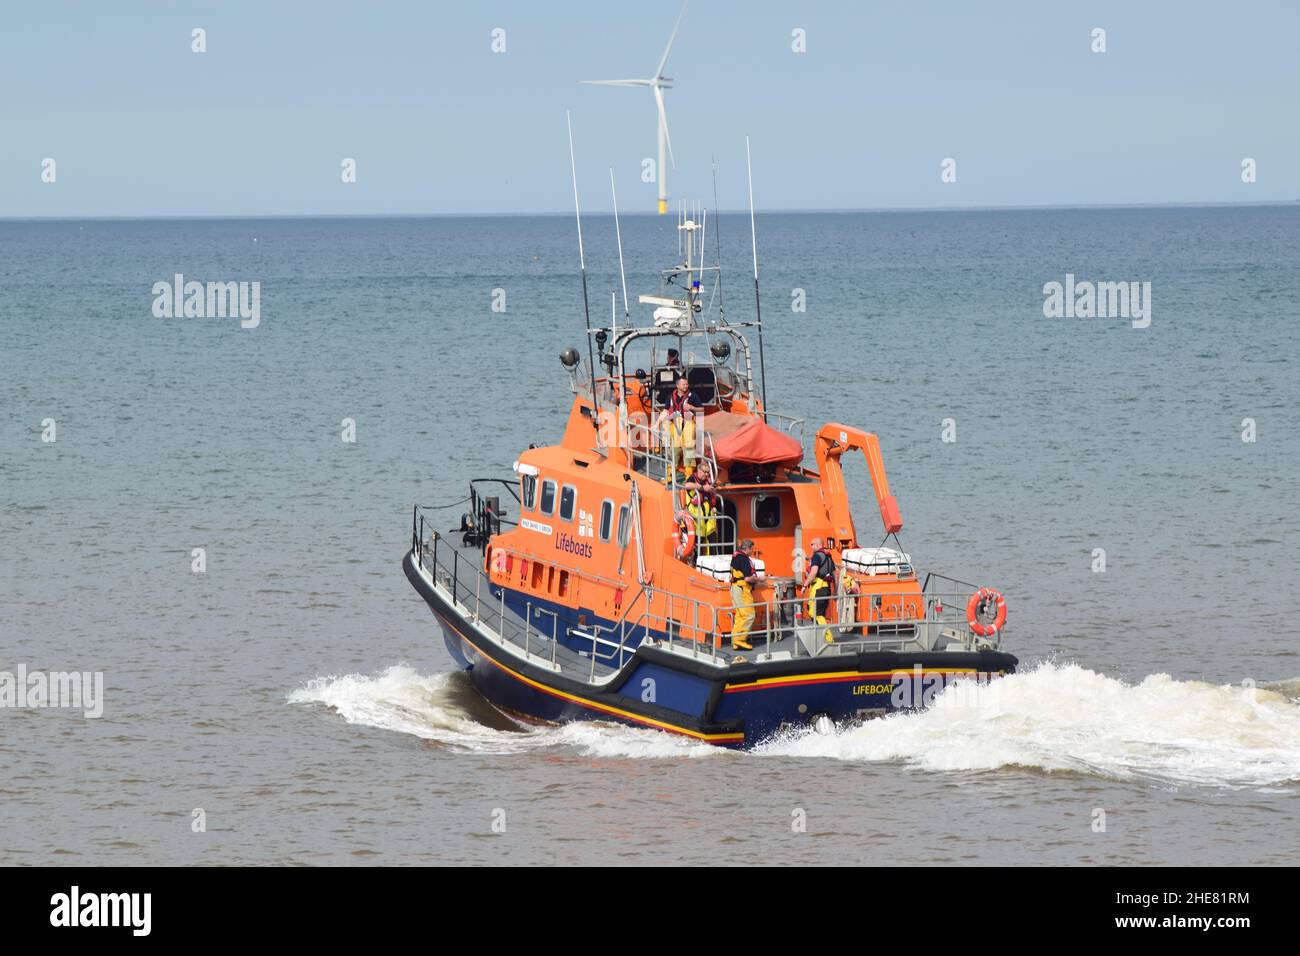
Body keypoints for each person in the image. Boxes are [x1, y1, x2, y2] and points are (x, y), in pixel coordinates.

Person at [653, 375, 706, 481]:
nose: (686, 386)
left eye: (687, 384)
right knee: (673, 451)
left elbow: (701, 409)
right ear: (678, 385)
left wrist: (692, 407)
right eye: (684, 384)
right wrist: (656, 424)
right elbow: (666, 411)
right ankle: (670, 475)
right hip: (675, 426)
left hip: (688, 424)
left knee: (689, 450)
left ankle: (689, 477)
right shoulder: (670, 398)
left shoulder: (692, 396)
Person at [801, 537, 836, 644]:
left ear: (817, 545)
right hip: (826, 588)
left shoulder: (817, 556)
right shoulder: (828, 556)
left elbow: (813, 573)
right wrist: (835, 590)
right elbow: (834, 573)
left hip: (818, 588)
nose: (811, 546)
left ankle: (829, 639)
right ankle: (823, 637)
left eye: (812, 544)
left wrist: (804, 585)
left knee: (816, 614)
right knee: (817, 613)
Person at [729, 539, 760, 651]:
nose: (752, 551)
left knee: (740, 615)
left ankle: (735, 641)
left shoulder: (736, 556)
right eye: (751, 549)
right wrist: (759, 579)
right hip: (742, 589)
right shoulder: (743, 559)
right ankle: (740, 639)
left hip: (736, 588)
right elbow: (747, 578)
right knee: (749, 615)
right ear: (747, 549)